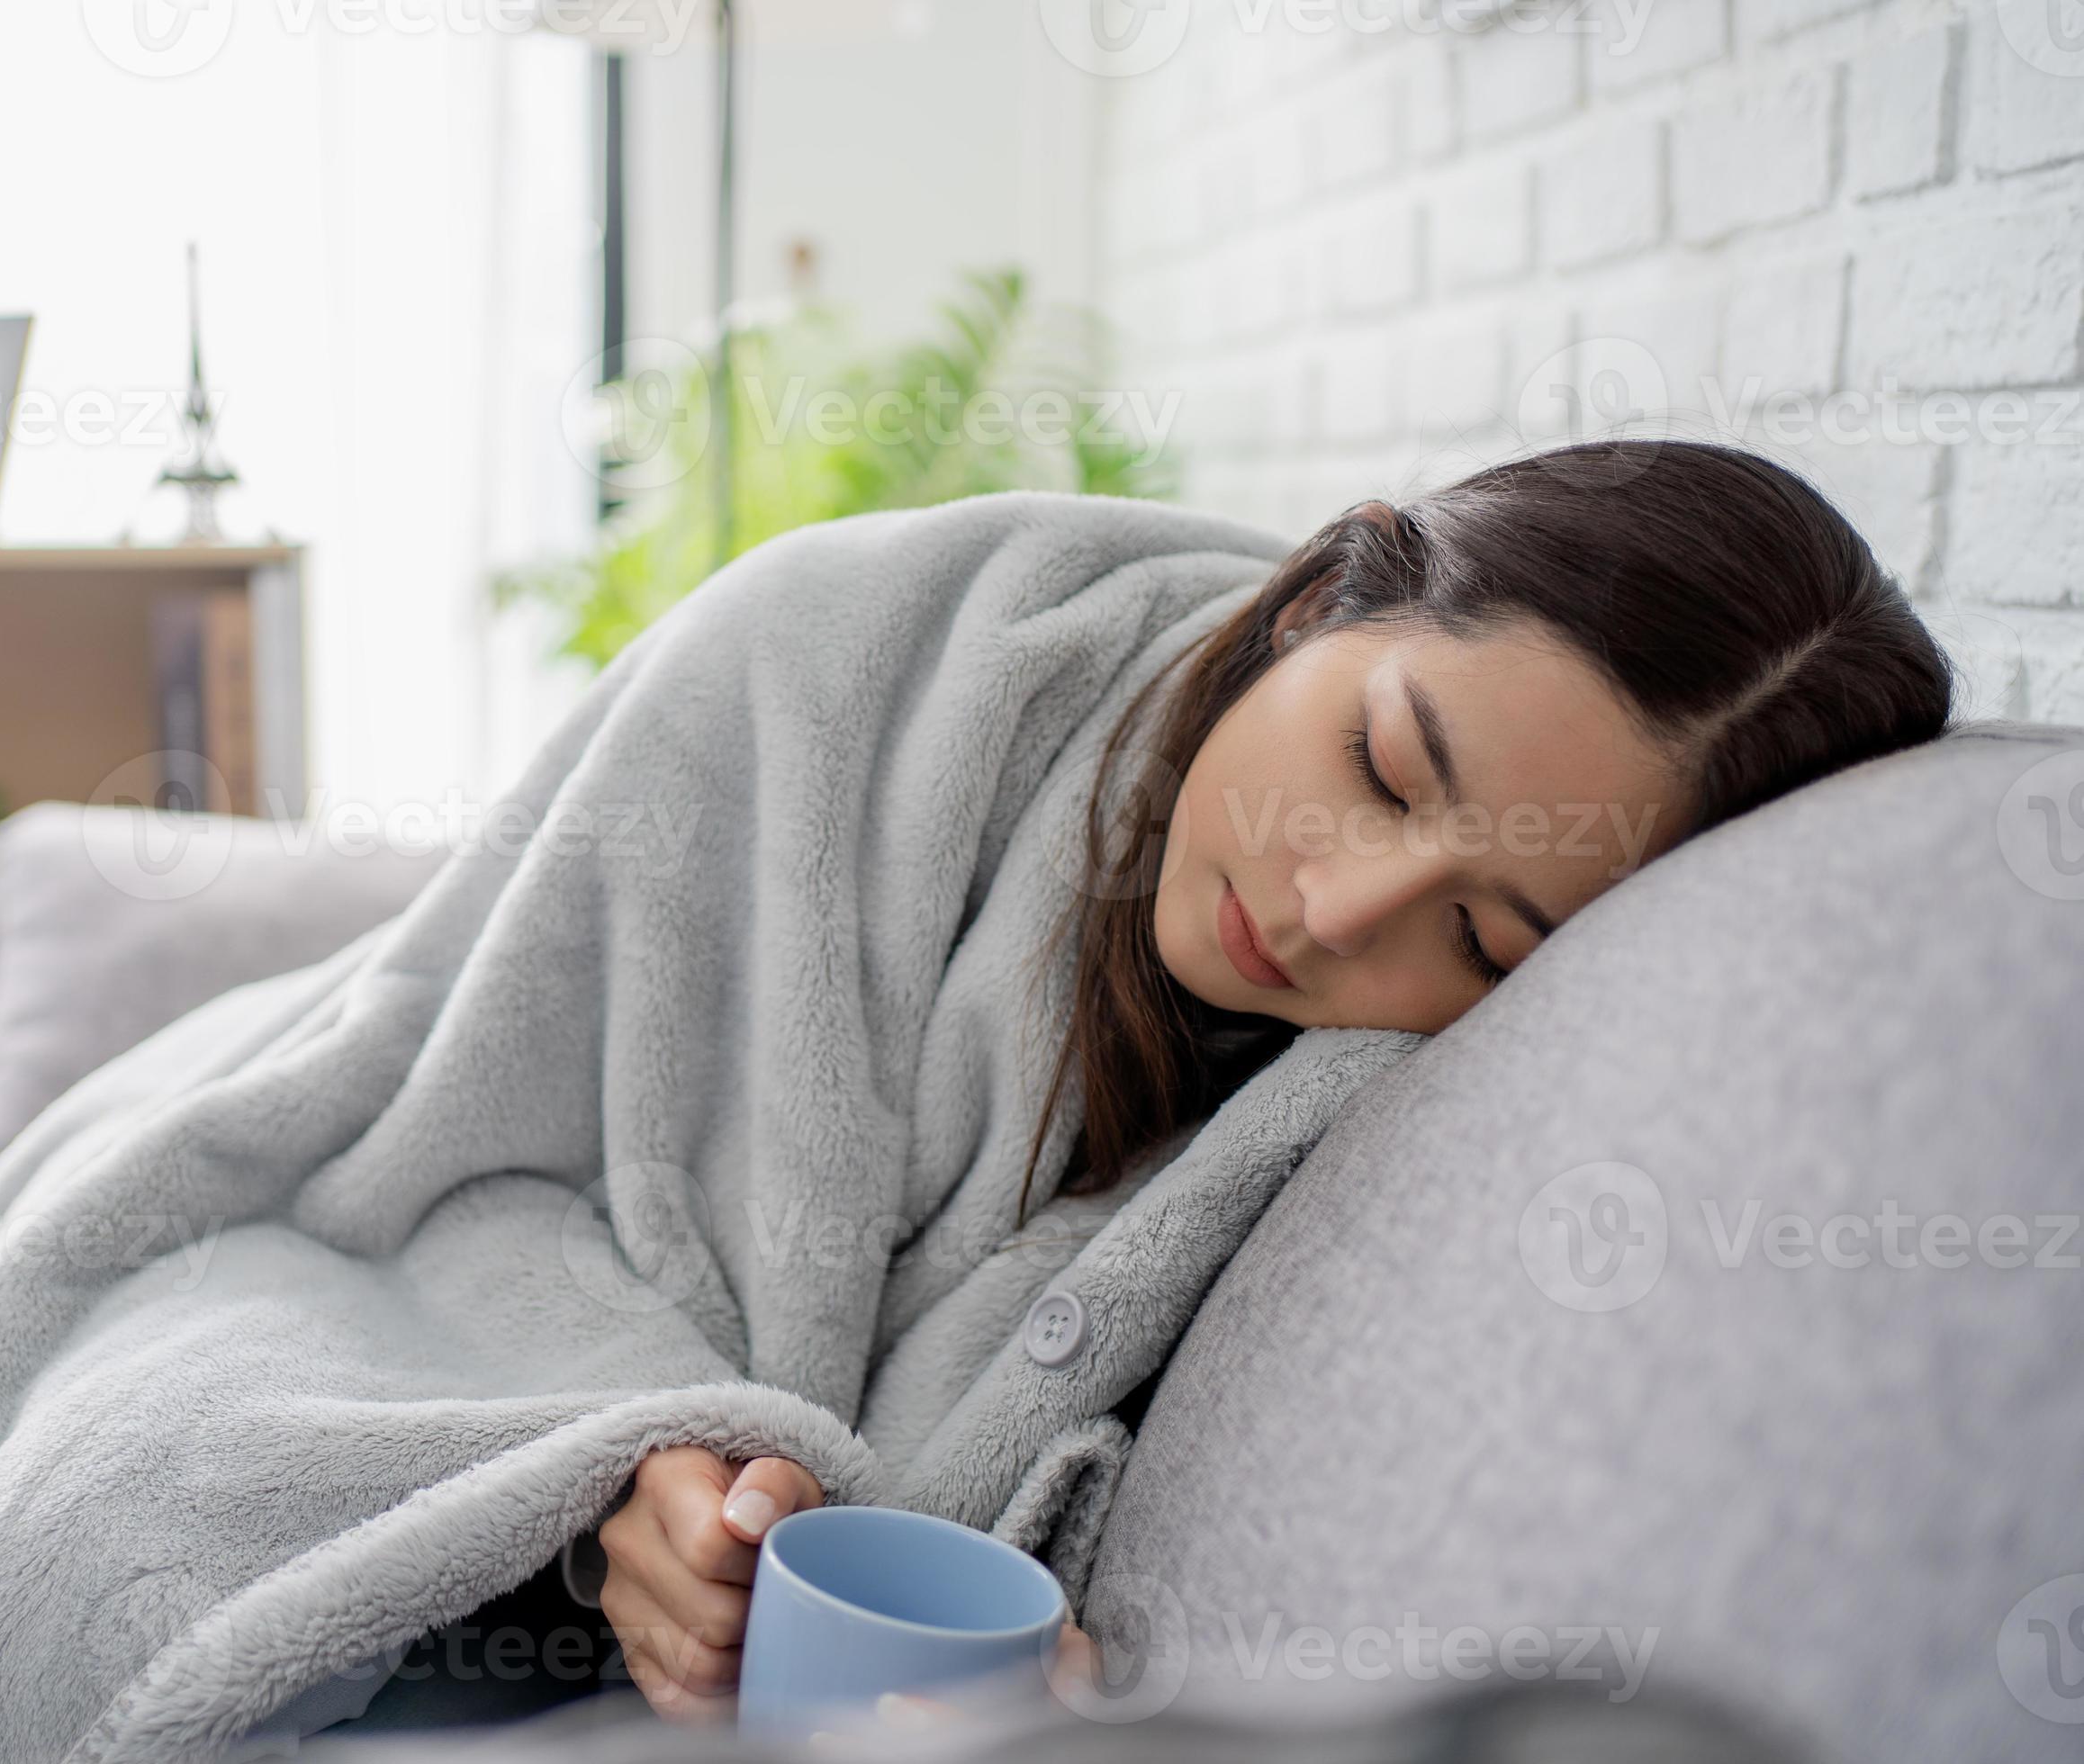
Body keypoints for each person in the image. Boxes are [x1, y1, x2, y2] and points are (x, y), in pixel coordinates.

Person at [585, 439, 1954, 1724]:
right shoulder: (854, 647)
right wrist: (623, 1468)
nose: (1337, 913)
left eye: (1480, 939)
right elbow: (423, 1159)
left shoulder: (1325, 1119)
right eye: (1384, 770)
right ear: (1311, 601)